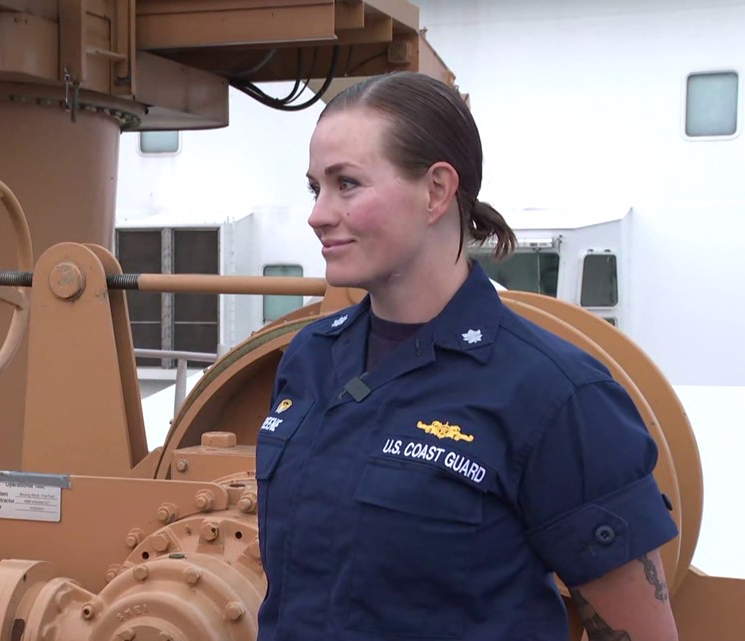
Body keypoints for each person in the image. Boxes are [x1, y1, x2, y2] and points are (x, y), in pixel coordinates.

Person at [255, 71, 679, 641]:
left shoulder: (553, 393)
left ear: (436, 191)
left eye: (347, 184)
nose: (318, 214)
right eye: (316, 188)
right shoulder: (310, 357)